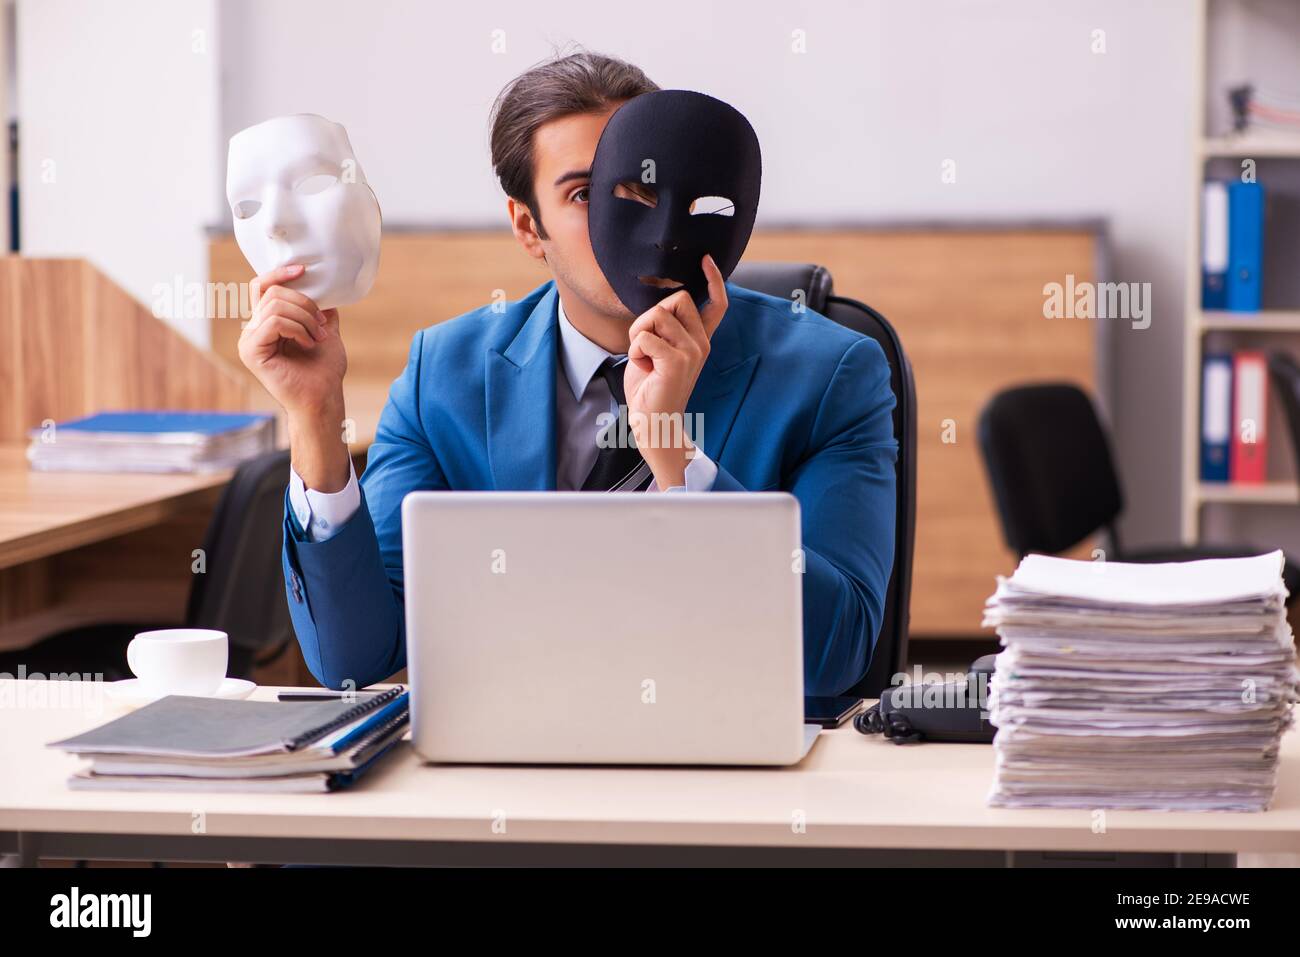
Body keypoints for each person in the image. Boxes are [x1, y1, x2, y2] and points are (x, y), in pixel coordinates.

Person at [238, 52, 897, 696]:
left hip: (742, 763)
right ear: (529, 227)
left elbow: (833, 654)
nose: (638, 220)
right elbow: (355, 658)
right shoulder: (445, 376)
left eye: (648, 186)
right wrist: (315, 413)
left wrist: (675, 454)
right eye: (588, 194)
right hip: (520, 761)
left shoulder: (831, 373)